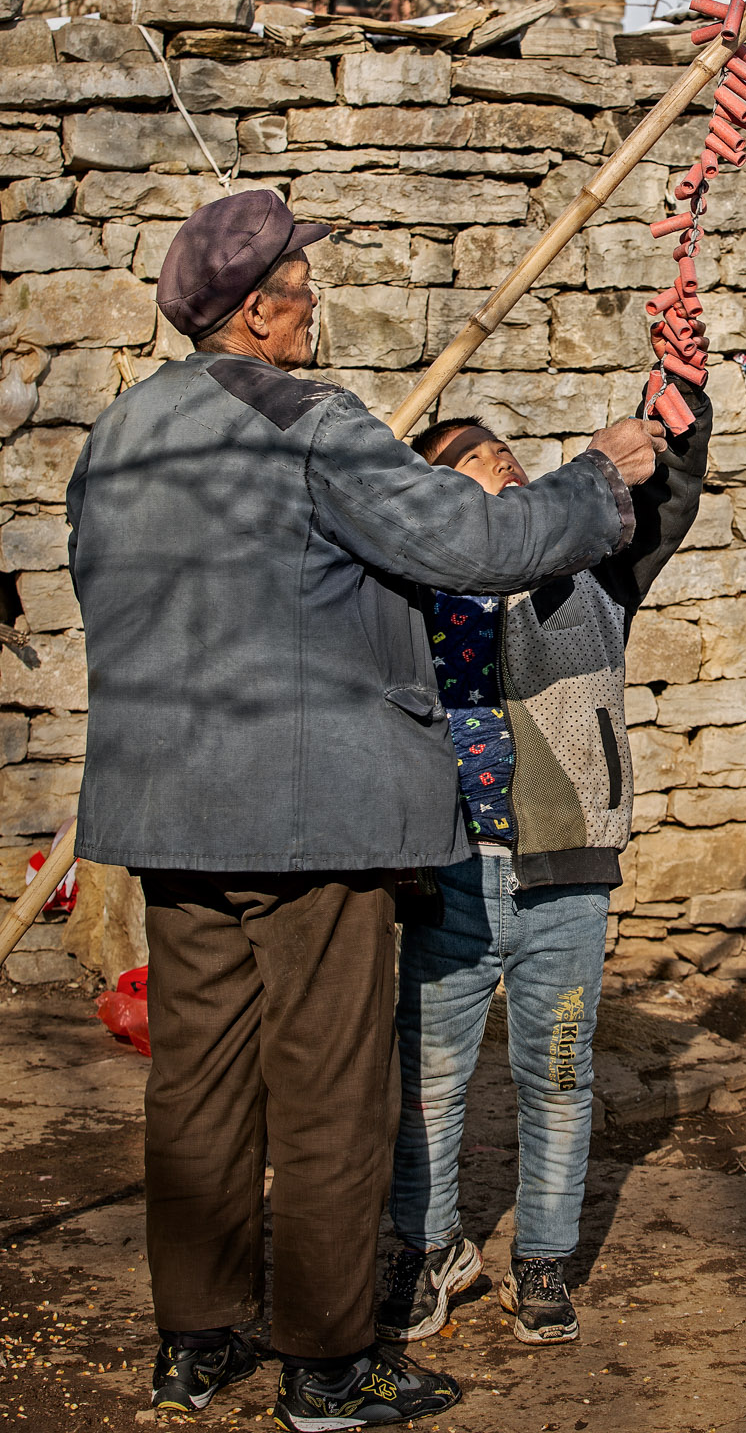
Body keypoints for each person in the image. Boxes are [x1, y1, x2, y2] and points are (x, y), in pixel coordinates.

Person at [65, 188, 665, 1430]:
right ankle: (331, 1364)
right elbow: (482, 543)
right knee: (332, 1087)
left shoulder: (120, 434)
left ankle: (196, 1336)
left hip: (170, 810)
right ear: (256, 311)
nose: (315, 303)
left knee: (200, 1080)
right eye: (300, 284)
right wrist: (597, 479)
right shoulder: (312, 426)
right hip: (312, 816)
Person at [379, 384, 710, 1351]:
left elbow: (663, 496)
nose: (503, 464)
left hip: (564, 886)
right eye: (475, 459)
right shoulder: (409, 600)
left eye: (505, 453)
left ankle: (545, 1260)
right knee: (427, 1086)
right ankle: (429, 1248)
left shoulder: (587, 575)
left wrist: (678, 399)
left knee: (558, 1076)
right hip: (448, 883)